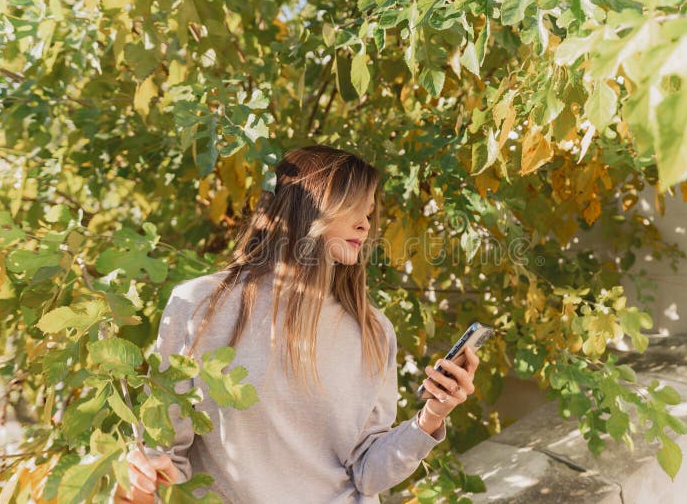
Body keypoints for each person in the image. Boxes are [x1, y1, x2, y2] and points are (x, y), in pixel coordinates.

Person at [114, 145, 480, 503]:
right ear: (303, 209)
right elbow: (164, 456)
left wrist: (433, 415)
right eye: (352, 207)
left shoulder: (373, 330)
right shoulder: (198, 307)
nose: (365, 224)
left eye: (369, 212)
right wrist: (140, 478)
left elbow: (367, 473)